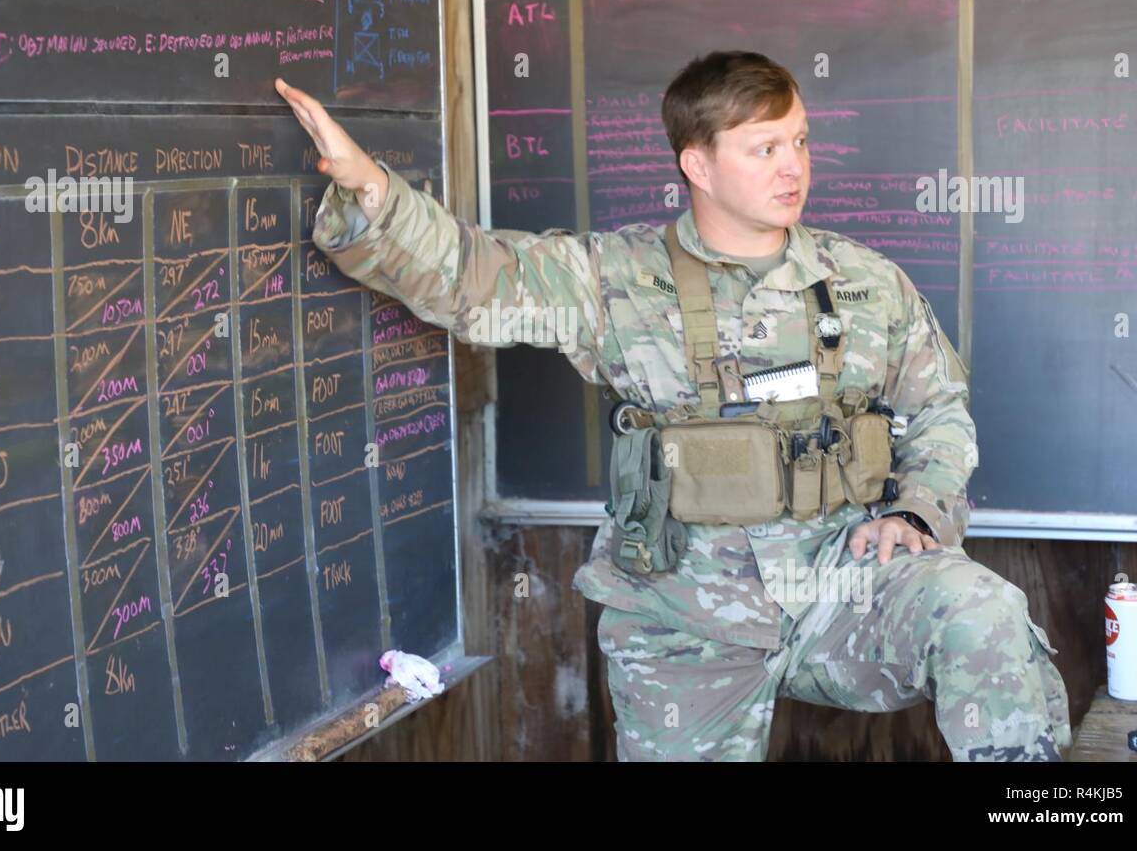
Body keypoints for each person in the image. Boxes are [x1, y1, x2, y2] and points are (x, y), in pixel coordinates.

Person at [273, 51, 1072, 761]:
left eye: (798, 141)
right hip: (683, 614)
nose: (792, 165)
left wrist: (922, 516)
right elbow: (471, 276)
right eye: (764, 148)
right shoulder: (614, 279)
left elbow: (940, 408)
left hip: (844, 587)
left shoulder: (865, 281)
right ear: (697, 163)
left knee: (982, 609)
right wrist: (372, 188)